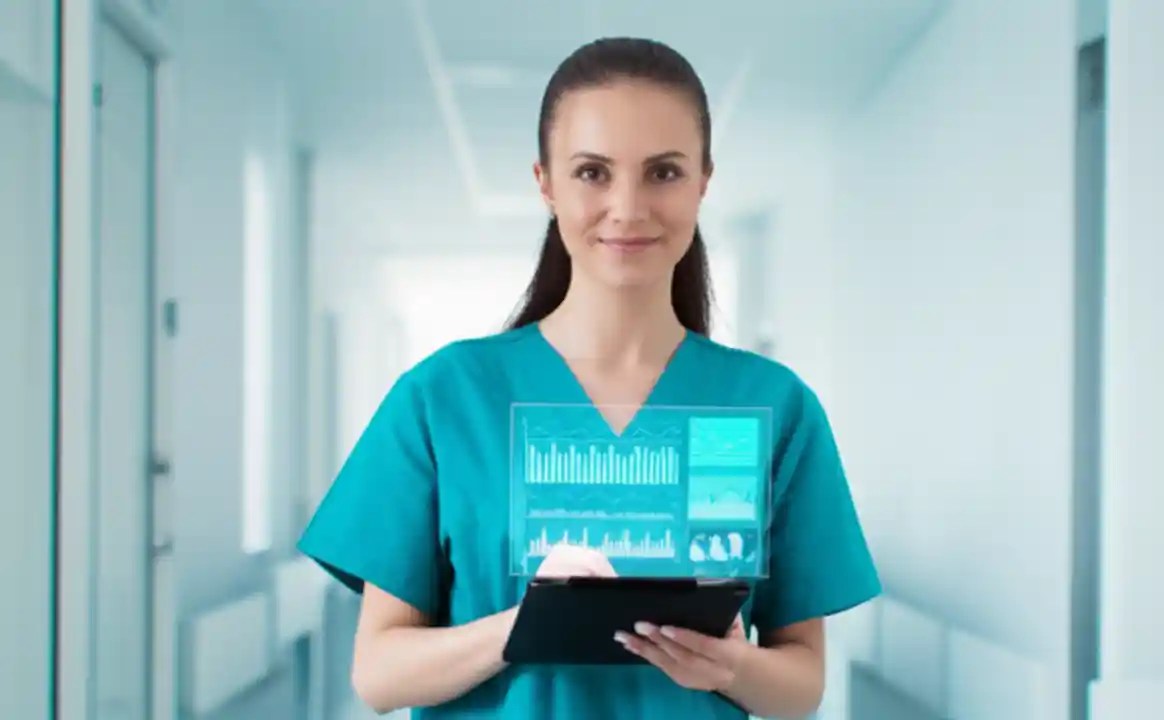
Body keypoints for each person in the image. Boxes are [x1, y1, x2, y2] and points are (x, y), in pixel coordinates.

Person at [297, 36, 880, 720]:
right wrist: (523, 628)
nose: (628, 208)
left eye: (663, 172)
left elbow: (802, 685)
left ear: (703, 181)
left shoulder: (774, 408)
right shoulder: (444, 397)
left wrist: (733, 665)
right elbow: (378, 674)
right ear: (545, 182)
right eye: (592, 172)